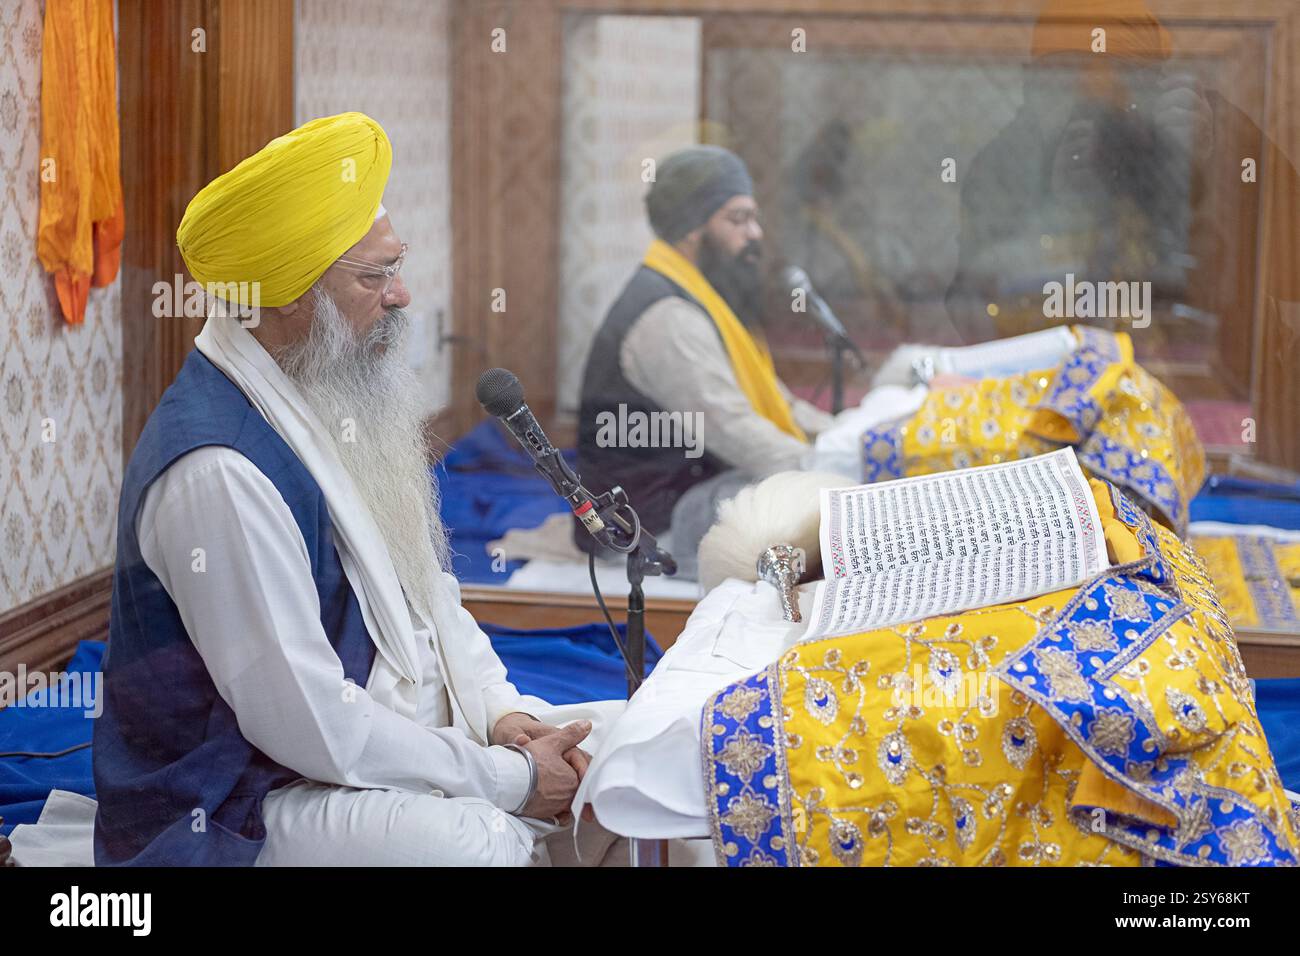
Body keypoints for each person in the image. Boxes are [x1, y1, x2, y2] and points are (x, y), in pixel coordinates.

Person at [93, 112, 620, 867]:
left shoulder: (324, 387)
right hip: (242, 799)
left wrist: (507, 716)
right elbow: (306, 724)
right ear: (281, 294)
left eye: (396, 266)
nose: (402, 296)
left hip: (381, 749)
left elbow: (429, 597)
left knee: (627, 753)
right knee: (478, 846)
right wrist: (502, 780)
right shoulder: (218, 469)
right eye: (373, 276)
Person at [574, 146, 832, 574]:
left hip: (700, 485)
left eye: (754, 218)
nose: (755, 233)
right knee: (818, 520)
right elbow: (738, 433)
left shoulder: (703, 295)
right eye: (737, 219)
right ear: (693, 228)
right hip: (654, 523)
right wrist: (838, 476)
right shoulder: (668, 318)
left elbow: (779, 406)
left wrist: (849, 440)